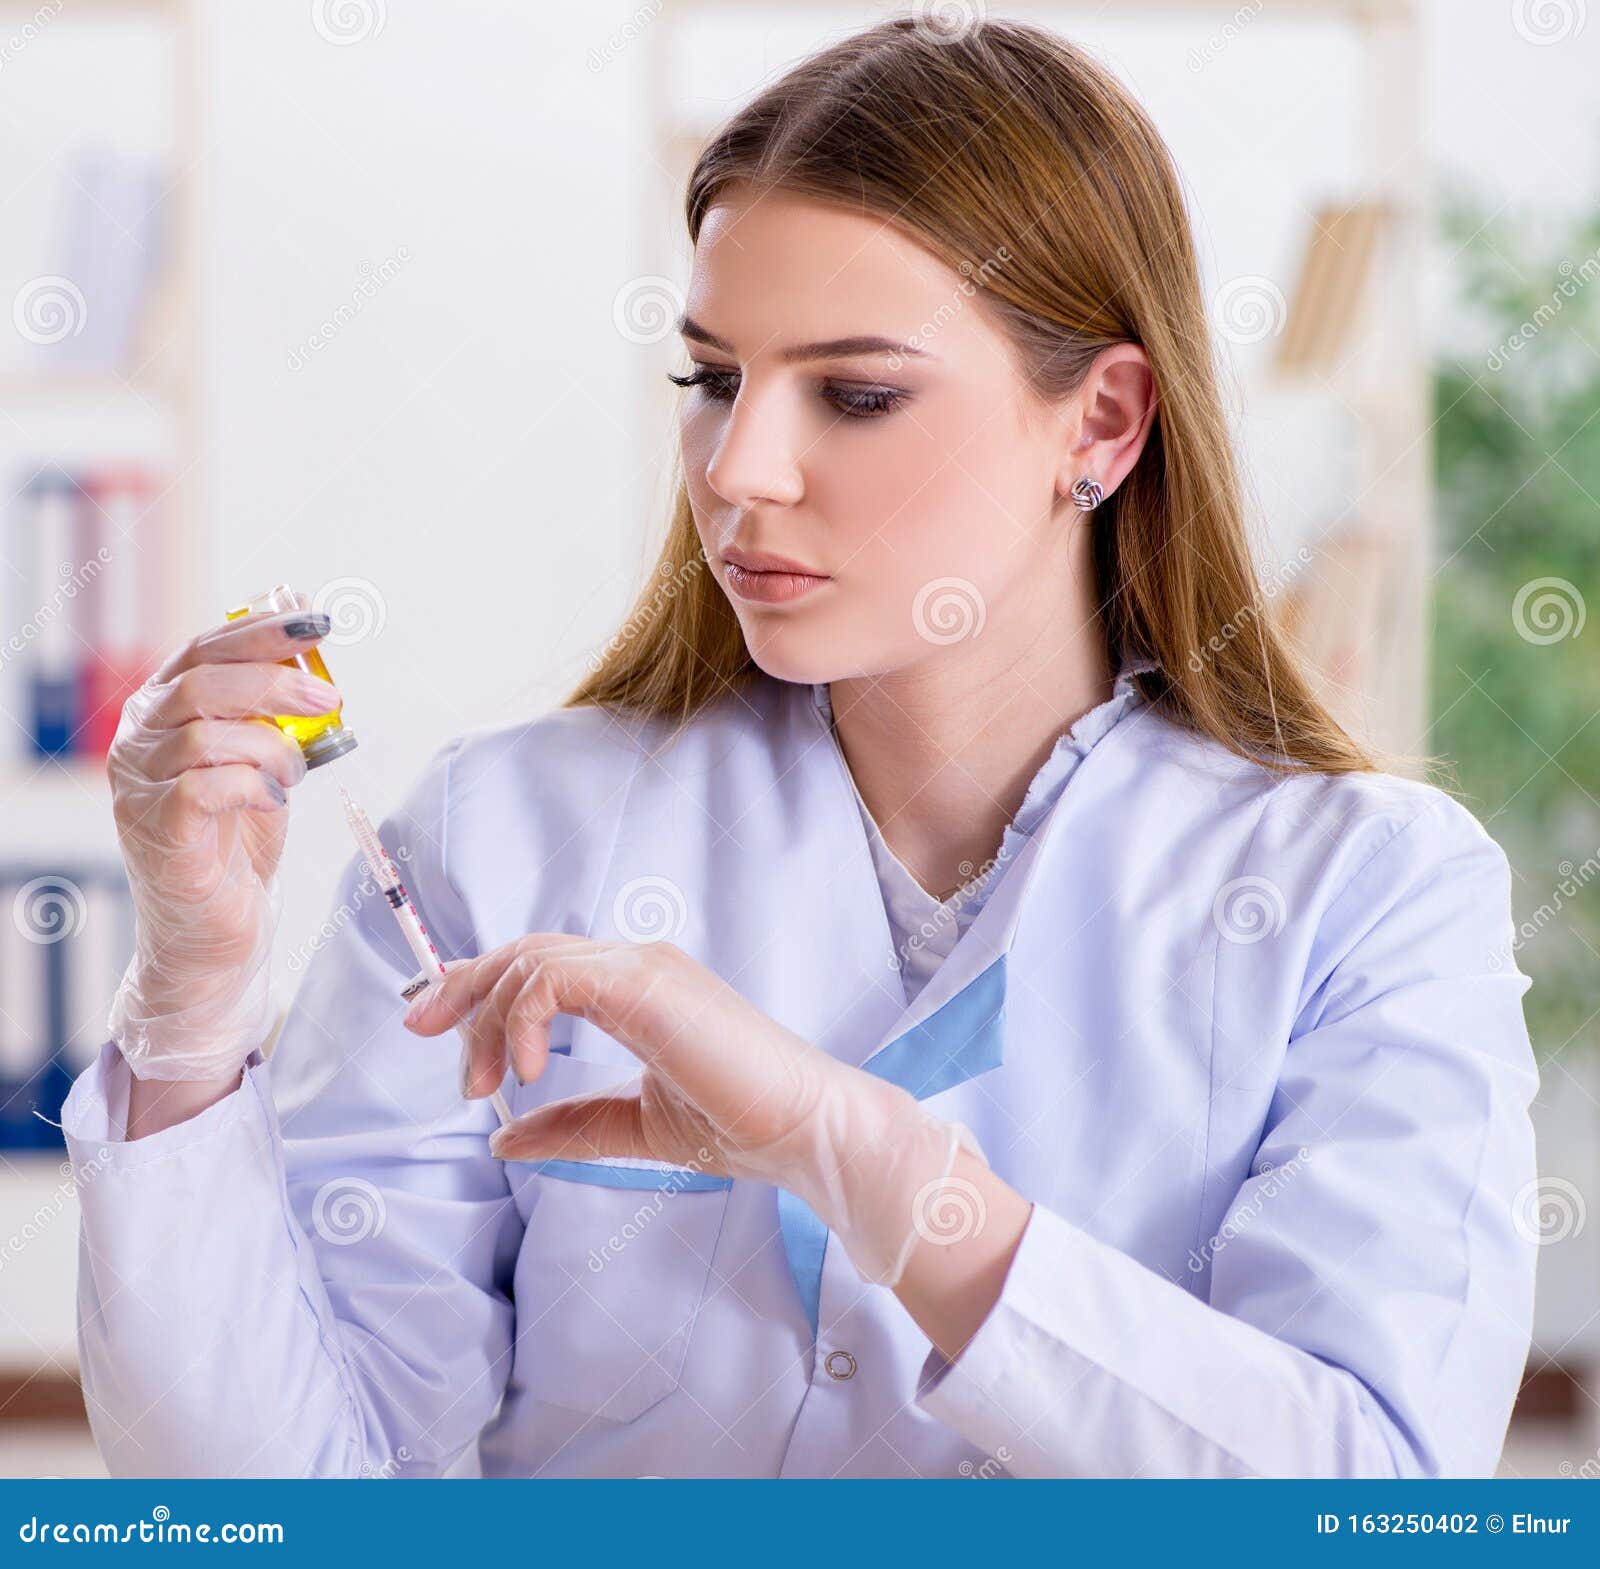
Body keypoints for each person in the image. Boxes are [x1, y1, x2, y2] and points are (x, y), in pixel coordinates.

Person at [63, 15, 1537, 1478]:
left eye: (856, 392)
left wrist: (853, 1150)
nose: (740, 470)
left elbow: (1372, 1496)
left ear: (1100, 419)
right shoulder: (494, 840)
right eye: (713, 379)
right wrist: (189, 1008)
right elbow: (280, 1507)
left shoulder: (1366, 889)